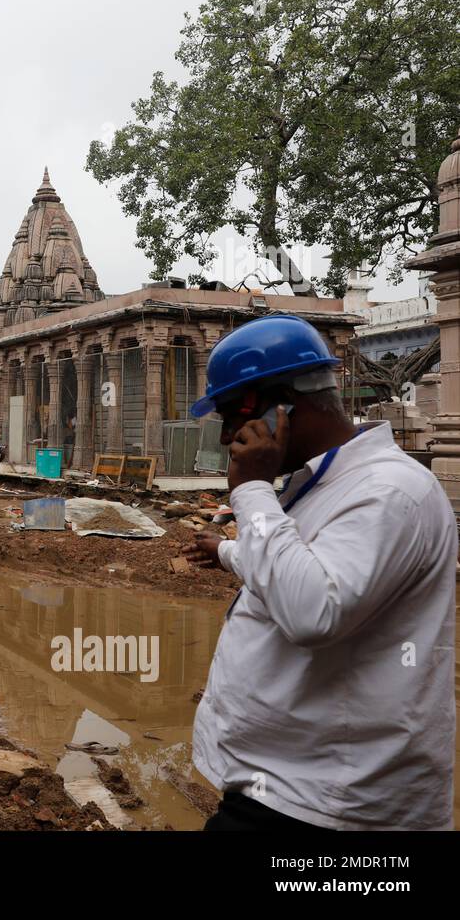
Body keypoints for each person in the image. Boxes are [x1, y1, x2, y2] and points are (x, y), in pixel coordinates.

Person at [181, 314, 455, 831]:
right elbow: (290, 562)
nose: (224, 439)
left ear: (278, 408)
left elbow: (315, 609)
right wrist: (225, 552)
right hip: (281, 788)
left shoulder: (388, 492)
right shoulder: (325, 485)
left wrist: (251, 491)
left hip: (327, 807)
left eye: (228, 417)